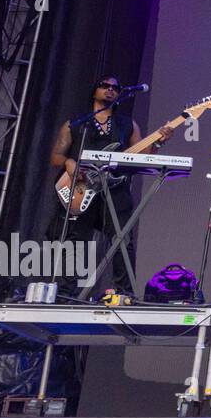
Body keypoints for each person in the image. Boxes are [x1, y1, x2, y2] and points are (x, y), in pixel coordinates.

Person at [50, 76, 173, 297]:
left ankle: (124, 293)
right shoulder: (77, 123)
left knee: (123, 239)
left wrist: (158, 141)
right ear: (94, 90)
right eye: (105, 86)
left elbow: (143, 156)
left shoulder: (127, 124)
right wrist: (69, 162)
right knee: (75, 240)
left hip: (115, 189)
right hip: (81, 188)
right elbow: (56, 156)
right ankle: (66, 293)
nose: (110, 90)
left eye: (115, 88)